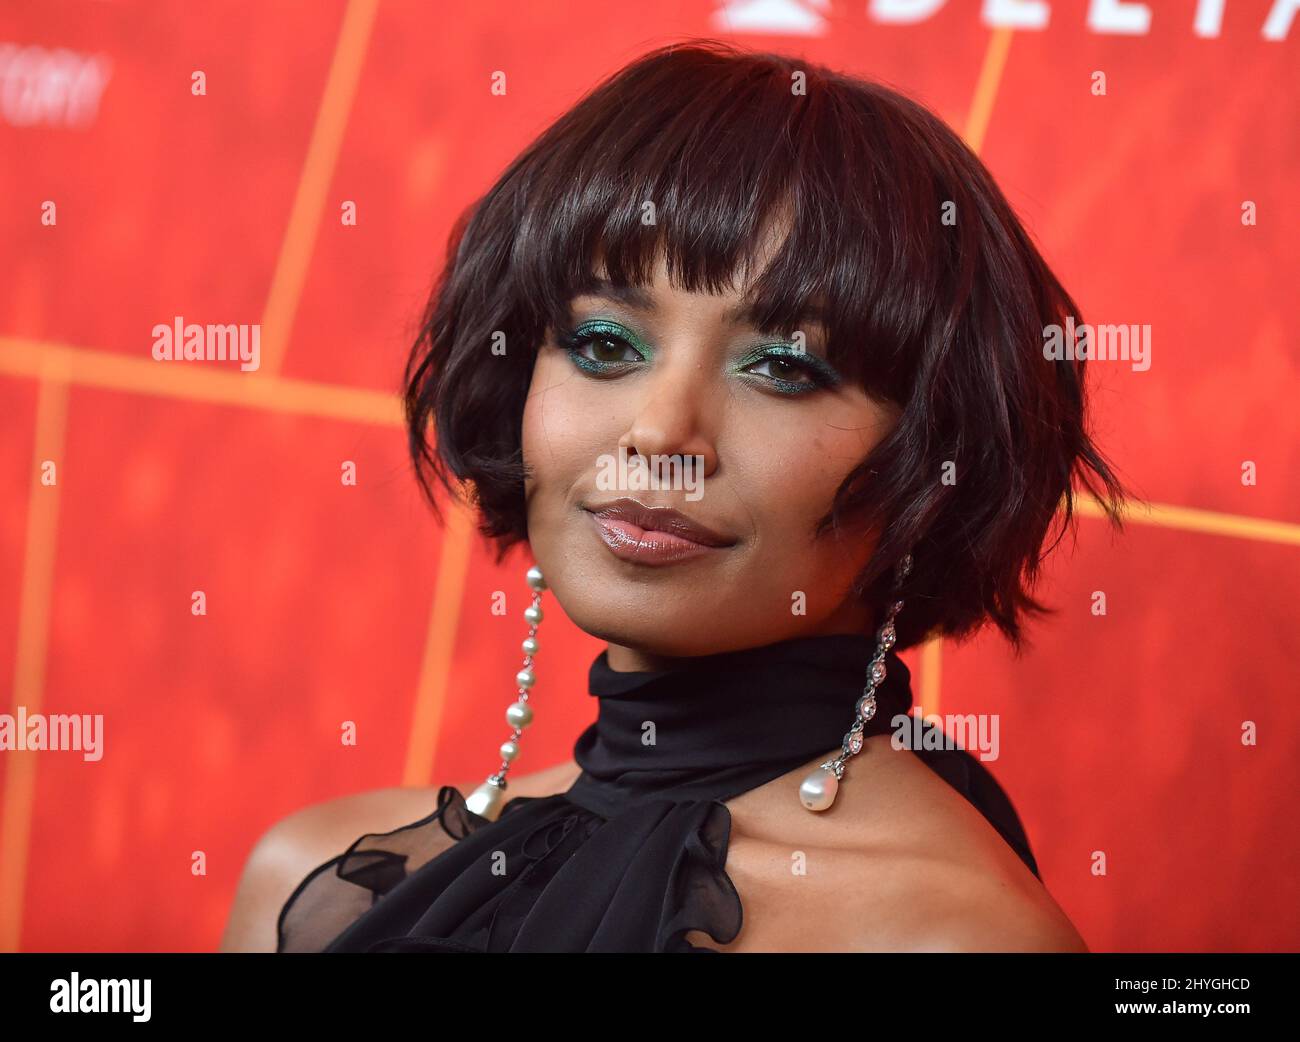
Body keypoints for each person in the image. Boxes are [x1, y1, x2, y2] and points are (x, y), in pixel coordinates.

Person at [221, 38, 1128, 953]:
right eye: (605, 344)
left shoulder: (945, 938)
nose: (659, 435)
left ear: (934, 456)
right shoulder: (320, 879)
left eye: (782, 367)